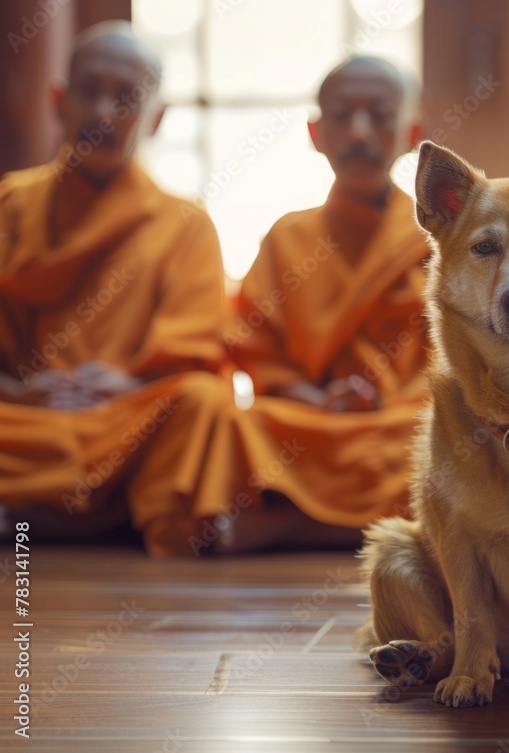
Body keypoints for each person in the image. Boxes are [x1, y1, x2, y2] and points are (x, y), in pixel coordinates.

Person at [0, 21, 235, 557]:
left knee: (202, 404)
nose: (103, 115)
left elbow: (195, 355)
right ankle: (111, 514)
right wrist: (19, 391)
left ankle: (32, 516)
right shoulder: (9, 206)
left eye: (125, 99)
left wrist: (125, 384)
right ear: (58, 100)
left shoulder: (185, 222)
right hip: (26, 414)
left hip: (125, 418)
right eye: (89, 93)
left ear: (155, 117)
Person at [222, 56, 430, 553]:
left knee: (459, 443)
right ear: (316, 133)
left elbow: (460, 359)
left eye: (379, 115)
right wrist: (316, 400)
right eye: (342, 116)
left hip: (401, 419)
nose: (360, 132)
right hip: (311, 418)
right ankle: (400, 532)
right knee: (233, 424)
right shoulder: (288, 237)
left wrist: (387, 404)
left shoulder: (436, 239)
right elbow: (257, 348)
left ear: (410, 131)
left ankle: (286, 528)